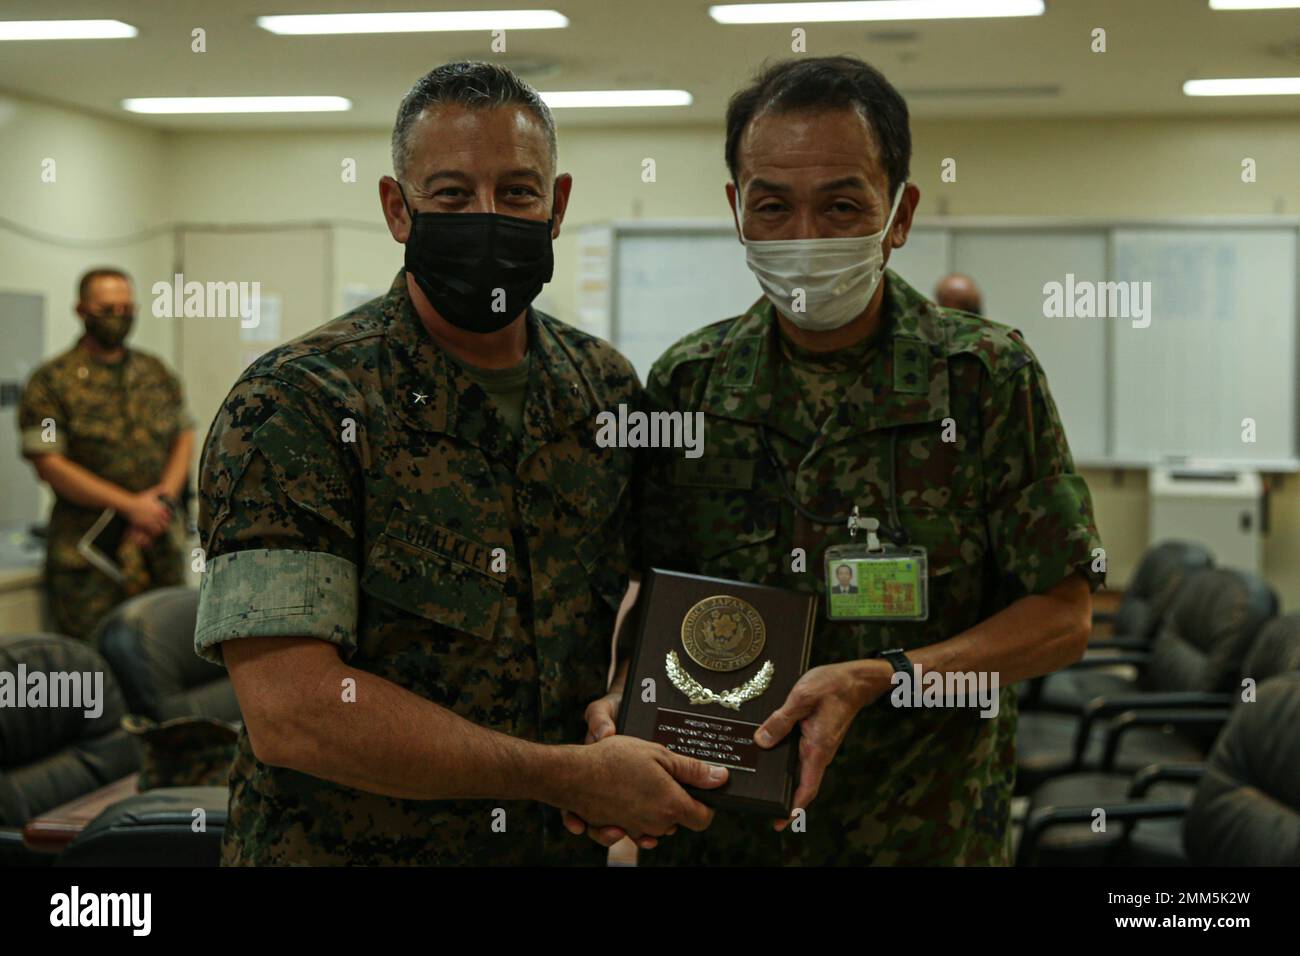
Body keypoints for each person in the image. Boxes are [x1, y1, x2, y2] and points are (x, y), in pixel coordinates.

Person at [191, 61, 725, 866]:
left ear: (559, 205)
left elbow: (658, 588)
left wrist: (626, 700)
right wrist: (568, 777)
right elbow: (294, 711)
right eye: (450, 195)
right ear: (396, 208)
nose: (487, 216)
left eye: (517, 193)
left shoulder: (606, 390)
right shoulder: (298, 402)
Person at [574, 55, 1103, 865]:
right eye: (773, 206)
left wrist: (883, 675)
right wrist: (621, 697)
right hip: (724, 835)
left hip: (924, 832)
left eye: (842, 205)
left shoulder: (986, 380)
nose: (805, 238)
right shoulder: (690, 383)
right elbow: (651, 591)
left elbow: (1062, 620)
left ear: (899, 214)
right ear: (736, 209)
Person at [18, 268, 192, 641]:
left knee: (166, 655)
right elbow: (49, 462)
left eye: (127, 308)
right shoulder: (52, 381)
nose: (119, 318)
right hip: (88, 555)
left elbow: (183, 434)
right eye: (108, 309)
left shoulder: (155, 372)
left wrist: (159, 503)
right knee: (93, 668)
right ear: (82, 310)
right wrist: (131, 506)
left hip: (157, 544)